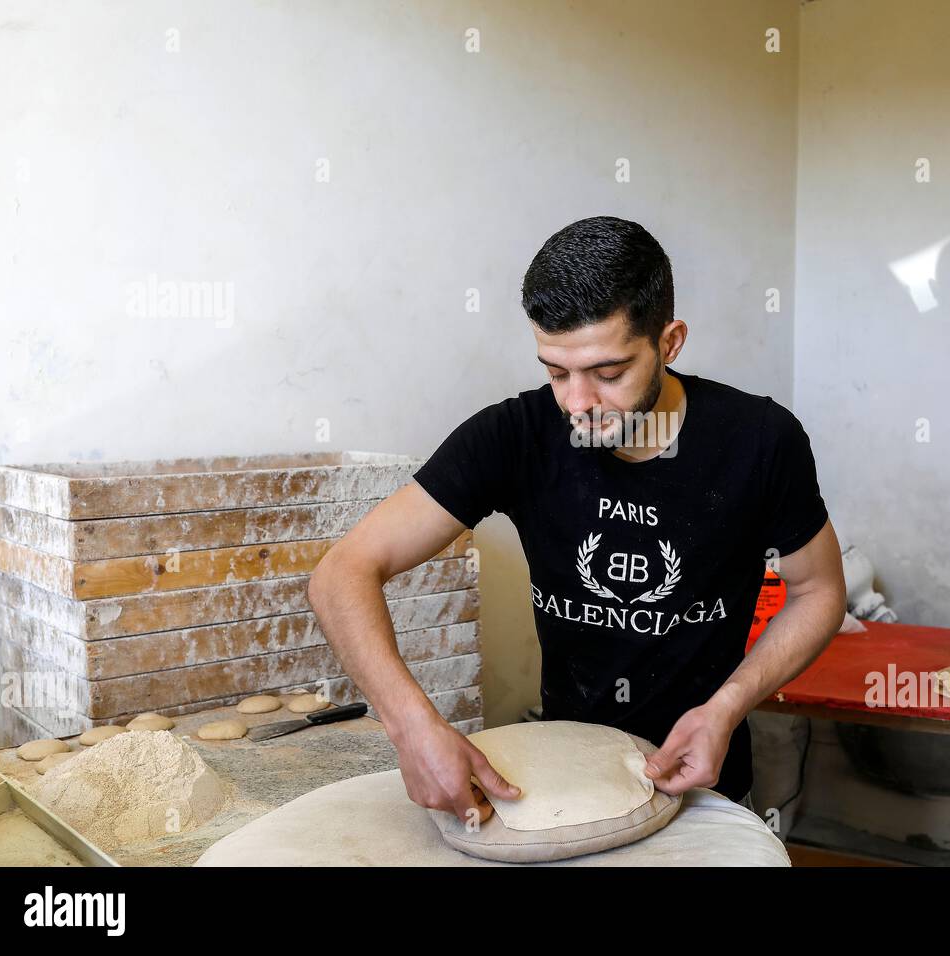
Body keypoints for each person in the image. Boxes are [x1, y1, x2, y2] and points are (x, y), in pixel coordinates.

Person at [308, 216, 847, 824]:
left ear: (670, 343)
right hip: (559, 784)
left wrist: (727, 706)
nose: (577, 403)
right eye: (556, 371)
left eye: (608, 373)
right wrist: (411, 726)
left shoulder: (759, 439)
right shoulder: (515, 435)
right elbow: (342, 573)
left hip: (708, 791)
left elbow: (818, 591)